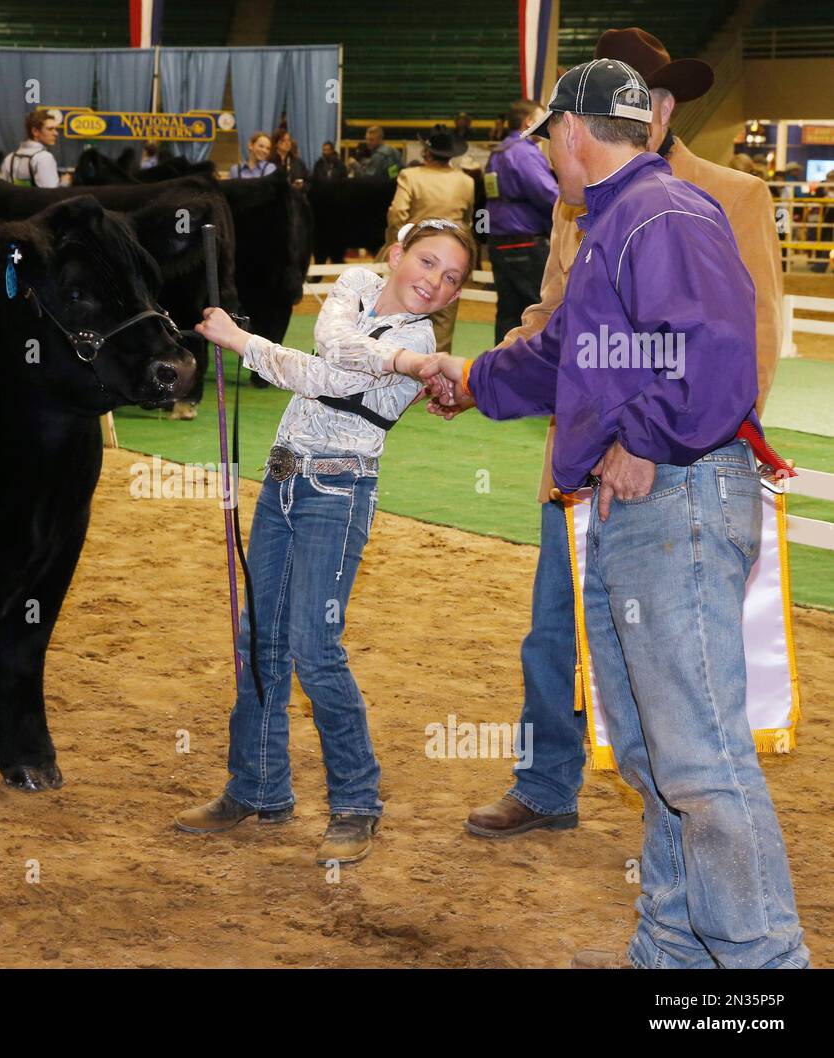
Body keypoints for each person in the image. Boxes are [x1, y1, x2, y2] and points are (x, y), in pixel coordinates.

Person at [422, 57, 807, 970]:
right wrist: (471, 379)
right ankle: (674, 954)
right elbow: (566, 352)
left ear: (573, 131)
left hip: (672, 496)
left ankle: (765, 971)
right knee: (656, 754)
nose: (548, 150)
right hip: (647, 509)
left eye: (550, 134)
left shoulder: (655, 216)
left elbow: (717, 355)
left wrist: (649, 437)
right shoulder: (623, 220)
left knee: (701, 761)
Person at [175, 219, 476, 866]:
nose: (434, 282)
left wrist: (239, 341)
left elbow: (328, 379)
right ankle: (257, 786)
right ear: (396, 255)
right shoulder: (358, 285)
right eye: (426, 262)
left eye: (450, 279)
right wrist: (403, 363)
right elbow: (330, 341)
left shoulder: (423, 339)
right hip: (282, 473)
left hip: (337, 493)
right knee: (261, 637)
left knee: (315, 648)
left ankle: (357, 802)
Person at [384, 127, 474, 351]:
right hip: (452, 261)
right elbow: (468, 220)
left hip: (419, 254)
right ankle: (436, 378)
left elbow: (397, 214)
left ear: (427, 152)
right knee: (443, 323)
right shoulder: (466, 182)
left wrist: (401, 242)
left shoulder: (410, 176)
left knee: (400, 316)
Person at [484, 99, 558, 343]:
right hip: (525, 243)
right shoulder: (524, 152)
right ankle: (531, 373)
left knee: (507, 312)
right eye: (541, 116)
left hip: (499, 243)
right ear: (529, 122)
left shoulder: (498, 152)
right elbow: (550, 195)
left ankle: (498, 369)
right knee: (536, 311)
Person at [1, 108, 60, 188]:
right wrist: (65, 182)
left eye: (56, 129)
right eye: (50, 129)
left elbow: (3, 189)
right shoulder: (44, 158)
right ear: (35, 131)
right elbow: (51, 194)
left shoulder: (9, 158)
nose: (56, 133)